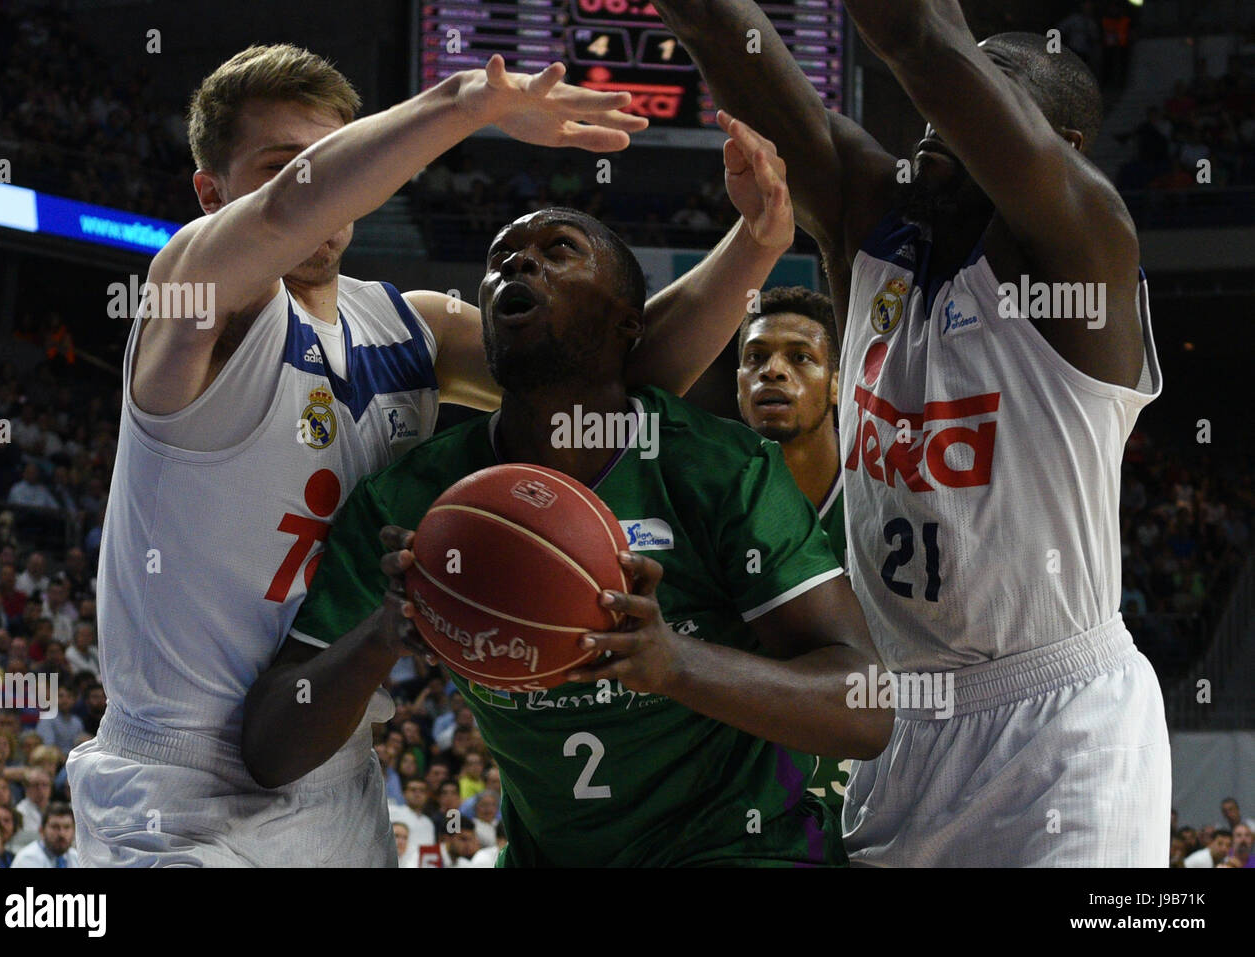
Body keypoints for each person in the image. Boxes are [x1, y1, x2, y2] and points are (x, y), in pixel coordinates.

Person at [67, 42, 799, 869]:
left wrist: (757, 242)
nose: (317, 190)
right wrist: (465, 104)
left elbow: (602, 381)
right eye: (282, 167)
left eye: (331, 161)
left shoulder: (411, 328)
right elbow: (277, 219)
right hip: (179, 787)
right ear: (210, 192)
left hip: (334, 771)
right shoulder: (192, 298)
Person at [653, 0, 1168, 865]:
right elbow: (716, 27)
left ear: (1062, 149)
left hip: (1064, 728)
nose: (941, 109)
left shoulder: (1088, 248)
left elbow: (918, 36)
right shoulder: (871, 228)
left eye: (991, 84)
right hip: (901, 724)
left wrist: (945, 50)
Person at [243, 202, 892, 866]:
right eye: (500, 259)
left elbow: (865, 707)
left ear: (627, 321)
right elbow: (269, 748)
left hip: (742, 847)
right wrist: (384, 631)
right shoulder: (412, 500)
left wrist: (676, 665)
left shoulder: (716, 468)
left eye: (558, 250)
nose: (518, 263)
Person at [735, 285, 852, 816]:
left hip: (886, 803)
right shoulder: (709, 513)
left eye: (800, 357)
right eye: (755, 358)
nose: (773, 371)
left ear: (836, 385)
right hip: (751, 814)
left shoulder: (887, 506)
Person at [9, 803, 80, 868]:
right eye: (55, 827)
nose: (62, 833)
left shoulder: (77, 858)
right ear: (41, 830)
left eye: (66, 827)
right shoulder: (27, 860)